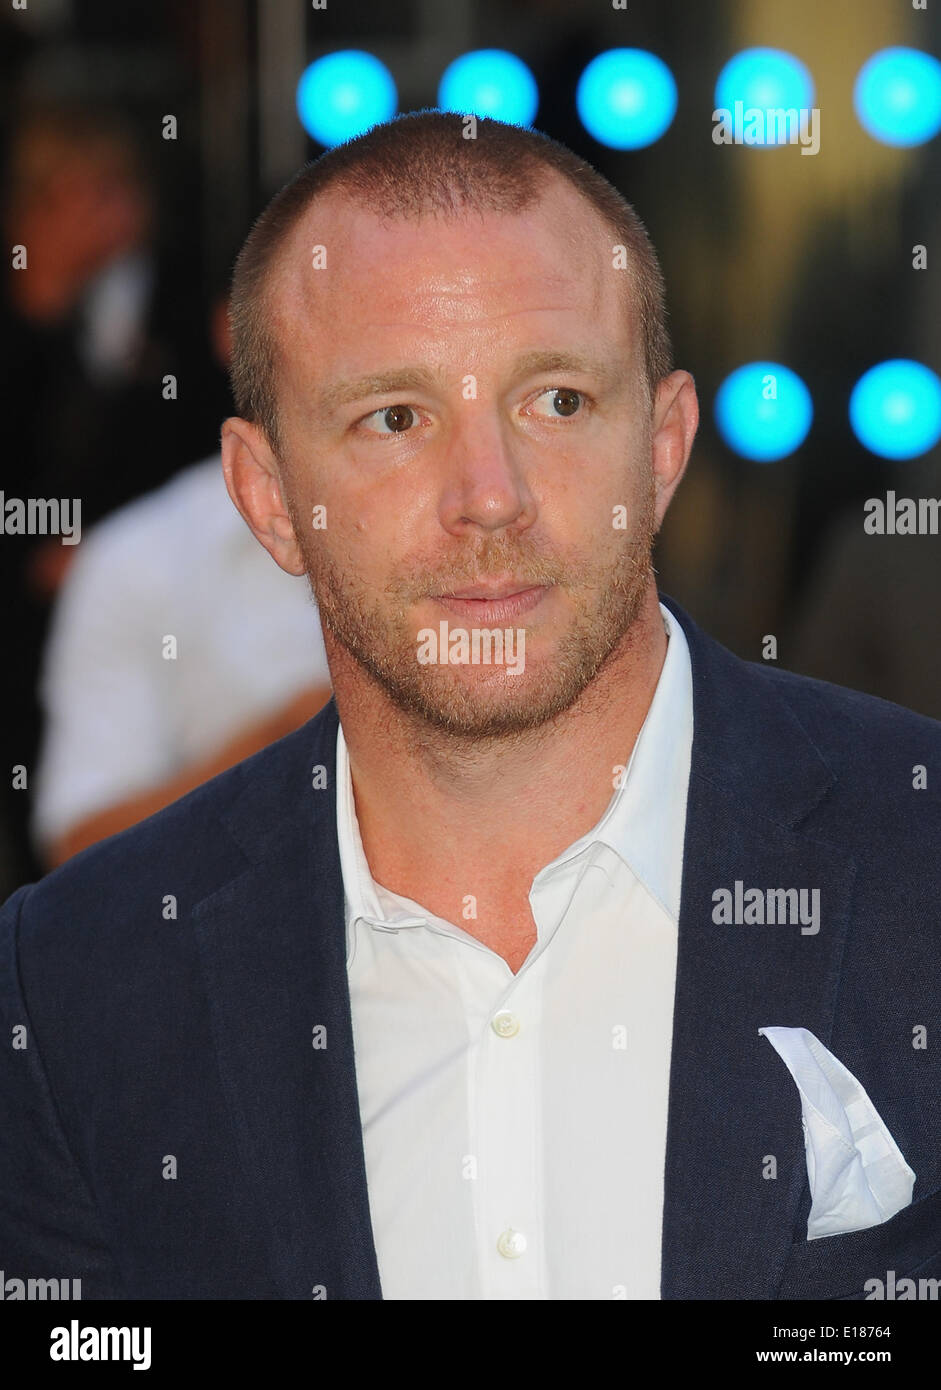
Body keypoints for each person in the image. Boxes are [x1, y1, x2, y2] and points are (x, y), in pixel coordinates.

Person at [1, 112, 939, 1301]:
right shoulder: (78, 989)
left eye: (553, 401)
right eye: (393, 418)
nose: (486, 498)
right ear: (270, 496)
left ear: (660, 450)